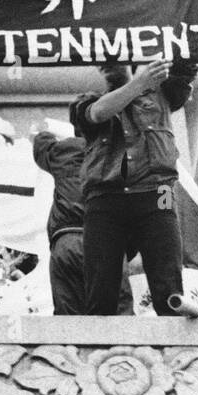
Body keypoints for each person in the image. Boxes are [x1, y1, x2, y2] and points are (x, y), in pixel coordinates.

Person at [71, 58, 195, 316]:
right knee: (100, 287)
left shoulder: (162, 94)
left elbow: (185, 65)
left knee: (168, 279)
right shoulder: (86, 101)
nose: (113, 66)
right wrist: (141, 82)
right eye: (108, 61)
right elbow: (98, 113)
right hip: (105, 199)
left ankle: (172, 345)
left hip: (159, 191)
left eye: (120, 58)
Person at [32, 119, 133, 316]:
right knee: (121, 322)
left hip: (67, 243)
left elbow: (40, 144)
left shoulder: (64, 151)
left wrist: (45, 130)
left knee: (68, 322)